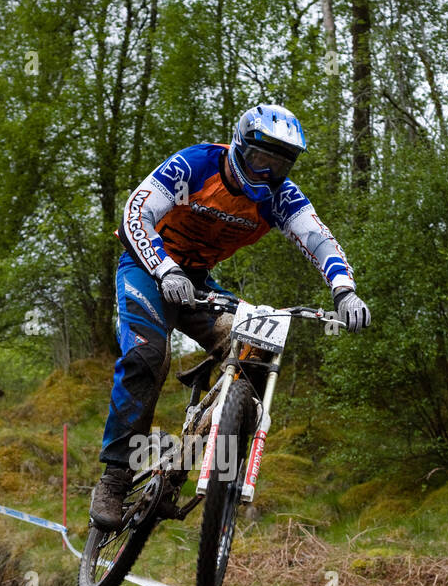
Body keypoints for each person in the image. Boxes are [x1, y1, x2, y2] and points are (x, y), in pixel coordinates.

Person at [90, 102, 371, 530]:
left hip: (198, 283)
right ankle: (115, 476)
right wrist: (163, 268)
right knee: (147, 356)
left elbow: (319, 239)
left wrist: (344, 290)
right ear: (241, 147)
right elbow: (136, 213)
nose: (266, 173)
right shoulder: (197, 165)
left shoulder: (280, 196)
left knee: (257, 350)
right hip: (146, 269)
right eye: (260, 159)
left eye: (278, 165)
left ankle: (190, 468)